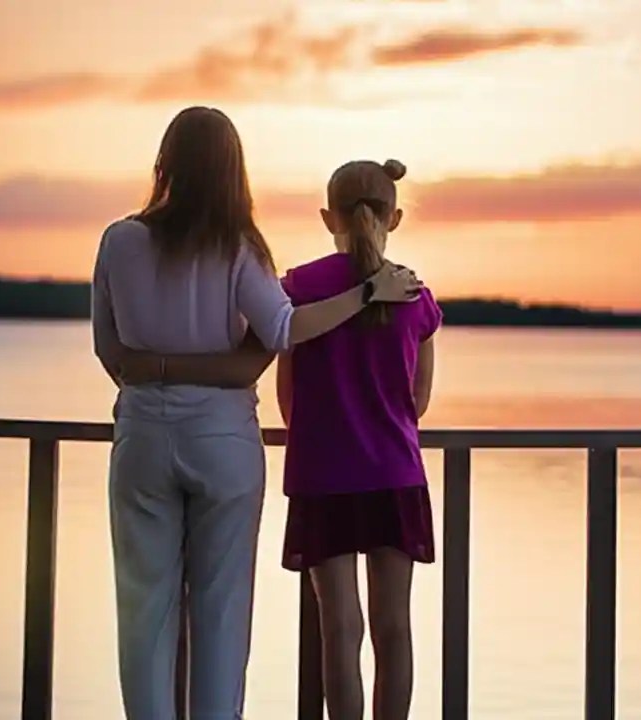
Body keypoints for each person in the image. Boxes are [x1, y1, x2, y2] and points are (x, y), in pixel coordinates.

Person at [90, 107, 422, 720]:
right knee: (221, 607)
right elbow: (284, 330)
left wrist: (157, 372)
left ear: (163, 165)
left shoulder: (119, 241)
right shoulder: (239, 248)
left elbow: (111, 352)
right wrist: (368, 292)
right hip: (223, 441)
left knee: (143, 608)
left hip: (140, 435)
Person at [276, 159, 440, 720]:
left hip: (323, 476)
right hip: (394, 474)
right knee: (394, 629)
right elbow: (417, 402)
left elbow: (287, 398)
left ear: (329, 218)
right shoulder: (414, 295)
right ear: (393, 218)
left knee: (339, 630)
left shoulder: (300, 287)